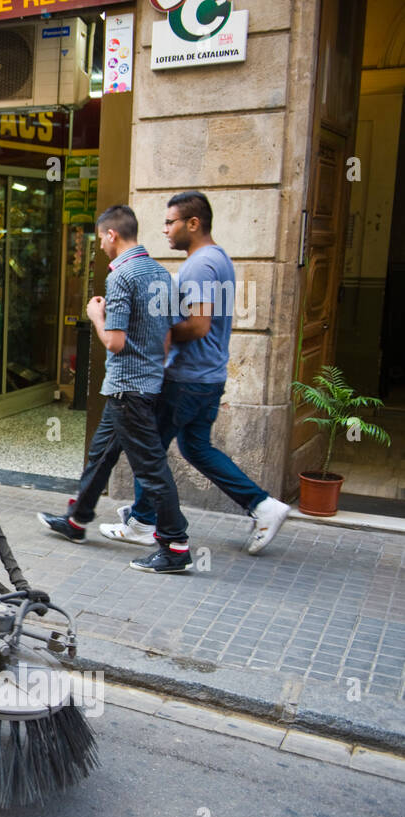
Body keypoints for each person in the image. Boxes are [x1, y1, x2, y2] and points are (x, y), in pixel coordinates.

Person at [99, 191, 289, 554]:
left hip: (188, 377)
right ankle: (264, 506)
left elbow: (199, 325)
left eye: (170, 222)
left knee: (148, 446)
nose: (165, 230)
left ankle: (143, 521)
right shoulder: (217, 258)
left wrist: (158, 333)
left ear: (193, 223)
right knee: (196, 447)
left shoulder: (200, 265)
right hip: (209, 376)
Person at [37, 205, 192, 574]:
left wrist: (95, 316)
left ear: (111, 235)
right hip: (147, 384)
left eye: (100, 239)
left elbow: (115, 342)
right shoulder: (159, 272)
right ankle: (76, 521)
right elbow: (168, 336)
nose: (101, 247)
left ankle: (176, 545)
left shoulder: (122, 276)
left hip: (128, 389)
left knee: (151, 468)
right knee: (101, 455)